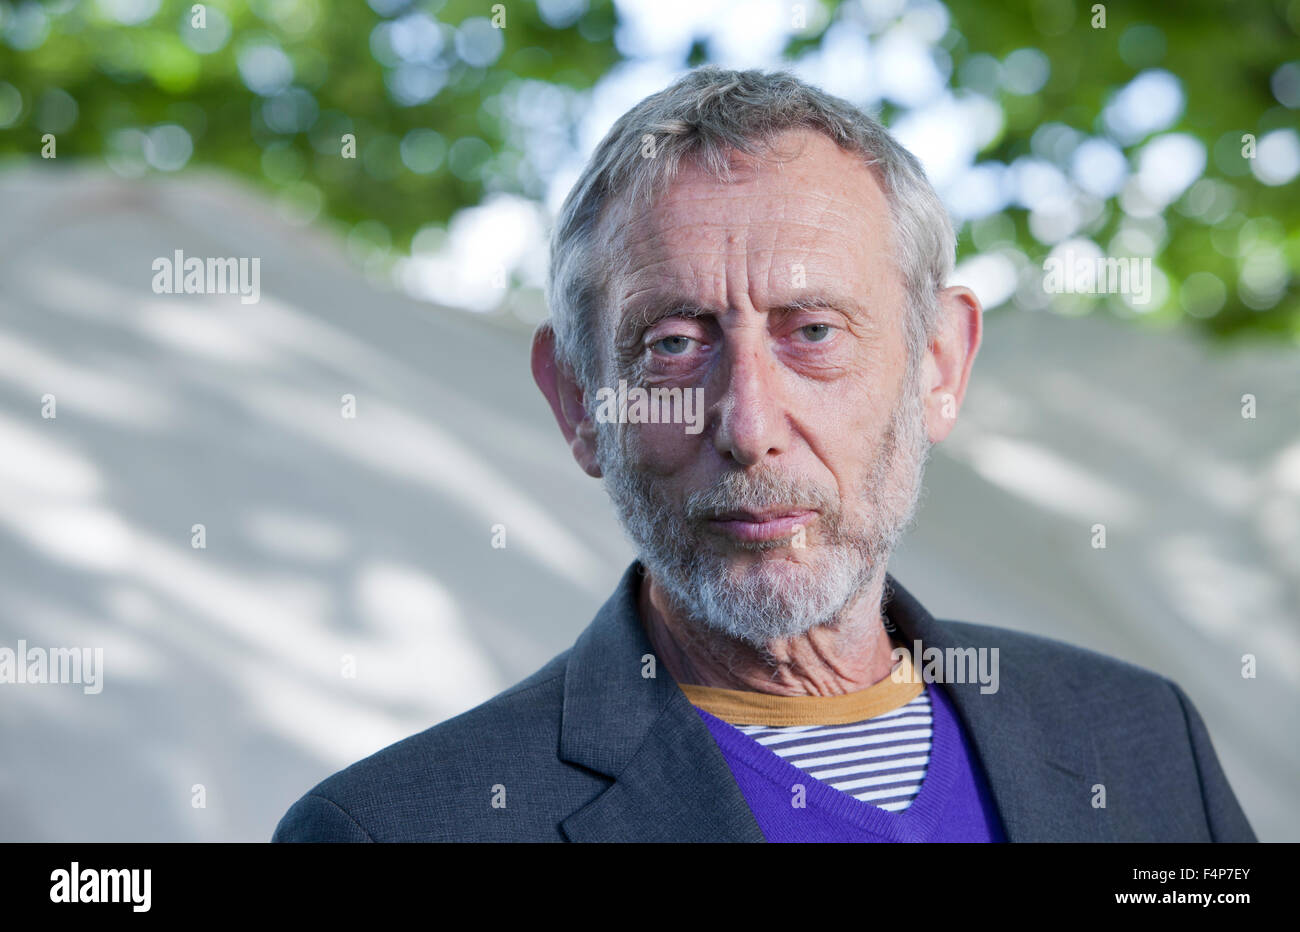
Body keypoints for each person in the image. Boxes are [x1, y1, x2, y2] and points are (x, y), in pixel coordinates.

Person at [272, 66, 1255, 842]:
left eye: (815, 331)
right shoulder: (395, 829)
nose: (747, 424)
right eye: (672, 343)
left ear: (939, 364)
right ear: (577, 401)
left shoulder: (1137, 735)